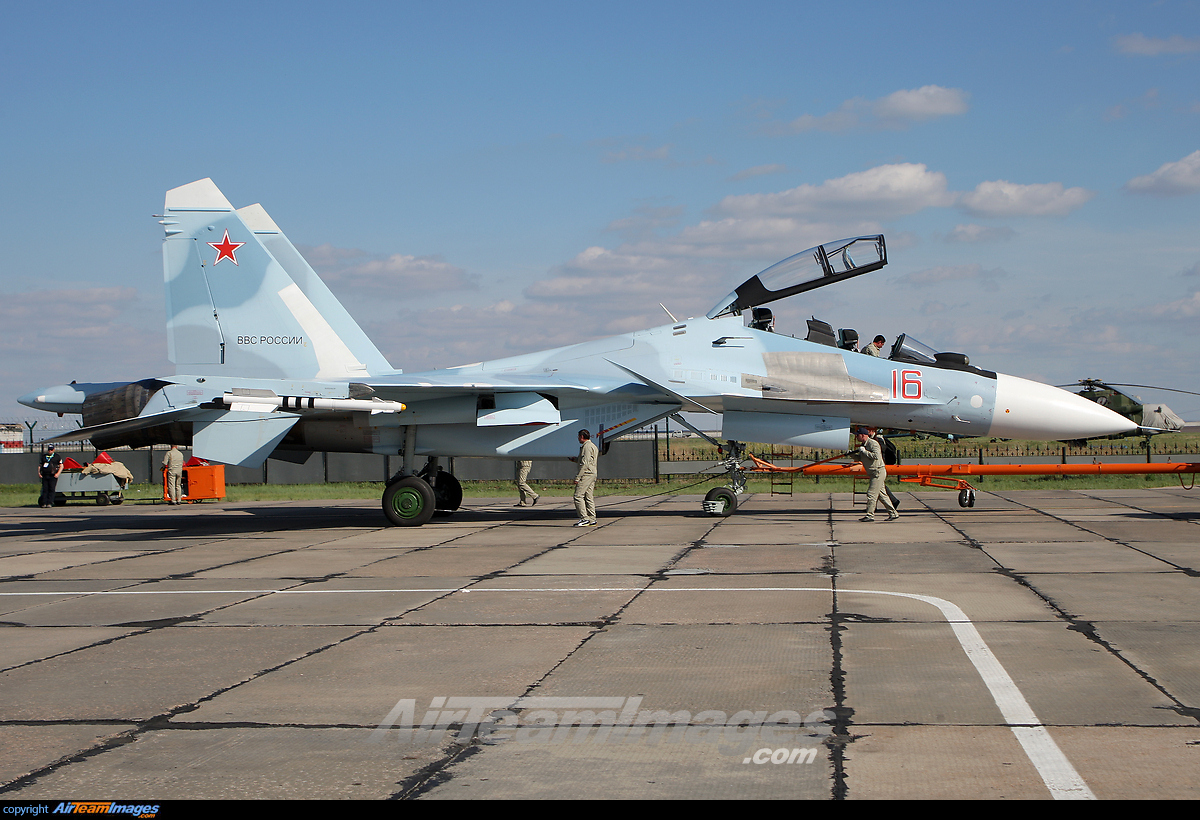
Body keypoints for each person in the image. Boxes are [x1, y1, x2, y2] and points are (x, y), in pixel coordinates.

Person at [848, 428, 898, 522]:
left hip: (878, 472)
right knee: (882, 495)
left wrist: (864, 451)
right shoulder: (864, 445)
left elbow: (876, 456)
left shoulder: (873, 443)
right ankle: (893, 513)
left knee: (871, 494)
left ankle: (870, 515)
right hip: (873, 473)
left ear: (863, 435)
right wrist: (851, 454)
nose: (856, 437)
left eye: (857, 435)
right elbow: (861, 458)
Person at [570, 429, 598, 527]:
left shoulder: (586, 447)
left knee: (578, 496)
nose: (578, 438)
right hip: (592, 473)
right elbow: (588, 460)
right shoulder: (592, 446)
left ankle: (584, 518)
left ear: (582, 437)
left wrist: (578, 477)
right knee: (588, 496)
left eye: (578, 436)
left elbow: (585, 463)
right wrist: (575, 460)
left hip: (586, 474)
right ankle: (592, 518)